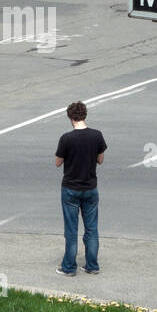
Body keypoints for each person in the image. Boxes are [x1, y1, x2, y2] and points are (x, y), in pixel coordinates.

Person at [54, 101, 107, 276]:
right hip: (91, 187)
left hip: (70, 188)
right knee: (91, 228)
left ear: (70, 117)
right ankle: (92, 265)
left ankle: (69, 267)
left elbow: (57, 162)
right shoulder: (97, 135)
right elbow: (100, 160)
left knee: (71, 229)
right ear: (85, 115)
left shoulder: (66, 138)